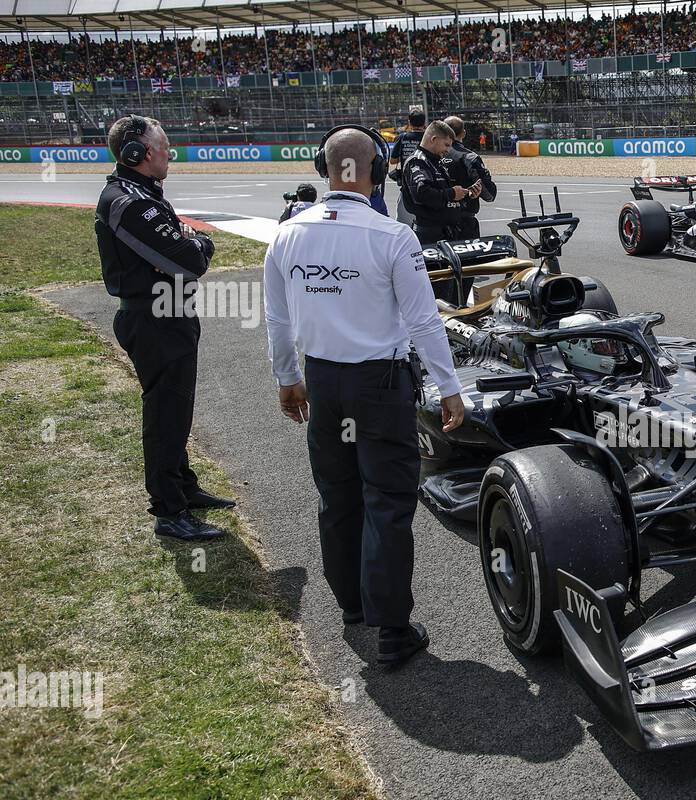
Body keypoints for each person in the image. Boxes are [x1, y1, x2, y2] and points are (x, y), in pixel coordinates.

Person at [263, 126, 466, 669]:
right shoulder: (393, 236)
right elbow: (426, 321)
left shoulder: (287, 235)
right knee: (388, 503)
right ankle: (392, 630)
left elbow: (277, 318)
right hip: (380, 386)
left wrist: (287, 378)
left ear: (321, 168)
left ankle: (352, 607)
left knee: (338, 496)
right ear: (376, 171)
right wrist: (449, 388)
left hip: (323, 383)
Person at [94, 114, 231, 542]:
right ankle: (168, 511)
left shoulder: (142, 194)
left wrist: (185, 243)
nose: (169, 152)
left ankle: (182, 487)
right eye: (163, 144)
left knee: (177, 410)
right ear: (138, 152)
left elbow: (178, 250)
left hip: (168, 315)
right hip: (153, 319)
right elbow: (189, 260)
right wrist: (195, 244)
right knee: (165, 415)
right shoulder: (130, 202)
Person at [399, 119, 479, 246]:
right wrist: (452, 193)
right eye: (446, 145)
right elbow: (422, 193)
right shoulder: (418, 161)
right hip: (430, 236)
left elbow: (443, 196)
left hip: (447, 233)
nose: (448, 150)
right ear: (433, 139)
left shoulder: (436, 162)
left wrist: (467, 194)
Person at [442, 115, 497, 243]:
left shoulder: (431, 156)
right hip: (463, 223)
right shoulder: (469, 157)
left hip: (435, 223)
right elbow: (490, 195)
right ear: (463, 133)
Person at [390, 109, 426, 226]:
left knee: (403, 225)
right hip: (427, 183)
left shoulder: (403, 137)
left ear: (409, 122)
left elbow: (393, 160)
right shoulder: (428, 137)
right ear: (424, 122)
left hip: (407, 186)